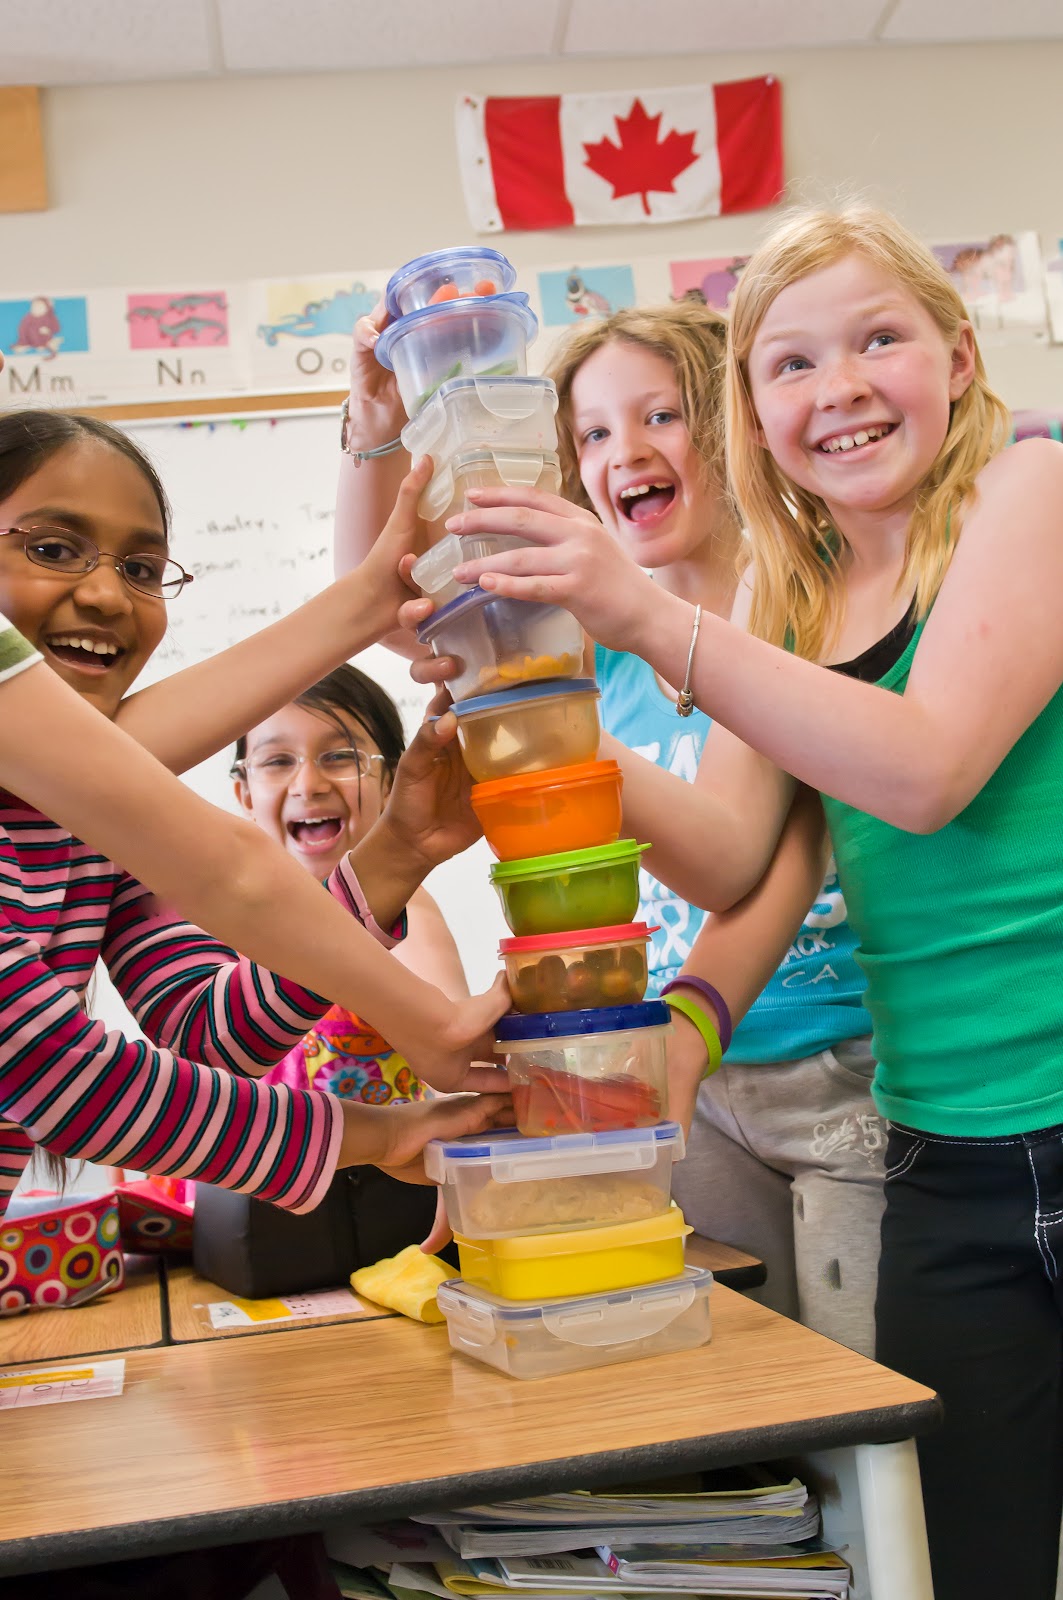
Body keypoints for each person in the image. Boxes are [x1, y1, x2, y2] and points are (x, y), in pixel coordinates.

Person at [443, 202, 1063, 1600]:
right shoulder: (797, 598)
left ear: (957, 357)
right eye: (788, 364)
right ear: (754, 418)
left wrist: (648, 619)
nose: (836, 387)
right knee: (949, 1553)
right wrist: (549, 720)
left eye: (878, 340)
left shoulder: (1028, 491)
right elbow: (731, 860)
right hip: (945, 1155)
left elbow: (923, 774)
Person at [336, 297, 882, 1353]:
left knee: (867, 1394)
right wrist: (376, 428)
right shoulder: (603, 644)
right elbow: (387, 601)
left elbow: (732, 862)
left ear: (732, 427)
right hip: (690, 1080)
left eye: (662, 416)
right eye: (590, 433)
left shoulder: (795, 610)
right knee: (744, 1388)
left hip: (844, 1065)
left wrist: (551, 715)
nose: (623, 451)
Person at [0, 405, 508, 1217]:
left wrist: (395, 853)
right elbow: (61, 1075)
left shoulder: (86, 822)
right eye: (52, 549)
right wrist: (385, 1127)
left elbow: (212, 1029)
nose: (105, 594)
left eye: (141, 568)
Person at [233, 662, 468, 1101]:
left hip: (370, 1166)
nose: (308, 784)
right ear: (245, 795)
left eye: (340, 757)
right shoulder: (226, 911)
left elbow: (454, 1043)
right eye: (278, 761)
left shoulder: (403, 907)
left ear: (393, 786)